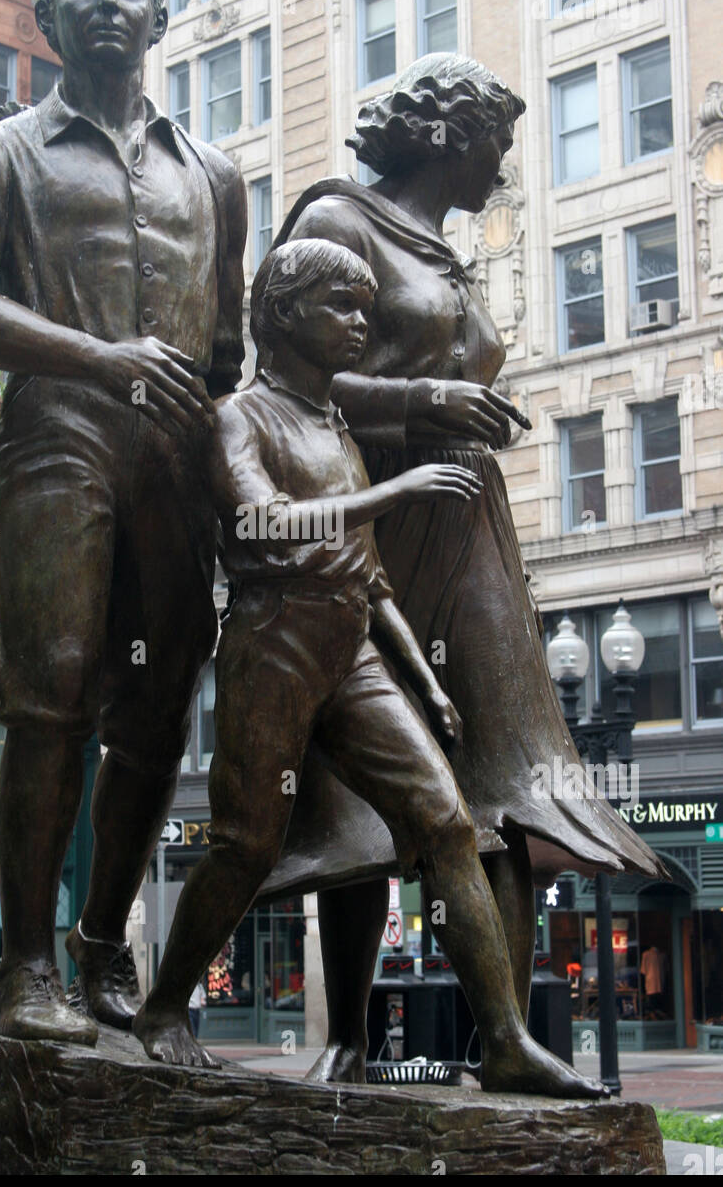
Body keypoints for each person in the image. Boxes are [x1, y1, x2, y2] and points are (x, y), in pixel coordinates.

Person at [261, 53, 665, 1083]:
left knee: (506, 772)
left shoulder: (449, 254)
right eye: (497, 139)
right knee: (355, 783)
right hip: (372, 515)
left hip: (470, 521)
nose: (503, 162)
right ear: (447, 134)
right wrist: (425, 403)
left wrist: (462, 409)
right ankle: (347, 1039)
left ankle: (506, 1043)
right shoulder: (338, 220)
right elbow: (282, 382)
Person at [134, 237, 607, 1099]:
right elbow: (263, 523)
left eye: (366, 307)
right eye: (342, 307)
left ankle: (505, 1041)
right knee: (246, 845)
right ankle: (163, 1009)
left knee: (447, 823)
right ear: (284, 314)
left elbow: (372, 574)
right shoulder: (240, 418)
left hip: (352, 649)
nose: (362, 324)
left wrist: (424, 680)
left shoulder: (336, 427)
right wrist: (396, 491)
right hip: (273, 645)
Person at [0, 0, 245, 1043]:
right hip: (60, 439)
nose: (109, 4)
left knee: (157, 709)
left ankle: (103, 948)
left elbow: (227, 355)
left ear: (161, 13)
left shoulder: (215, 175)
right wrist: (99, 357)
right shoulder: (0, 152)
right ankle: (25, 967)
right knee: (50, 694)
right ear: (48, 14)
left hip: (178, 462)